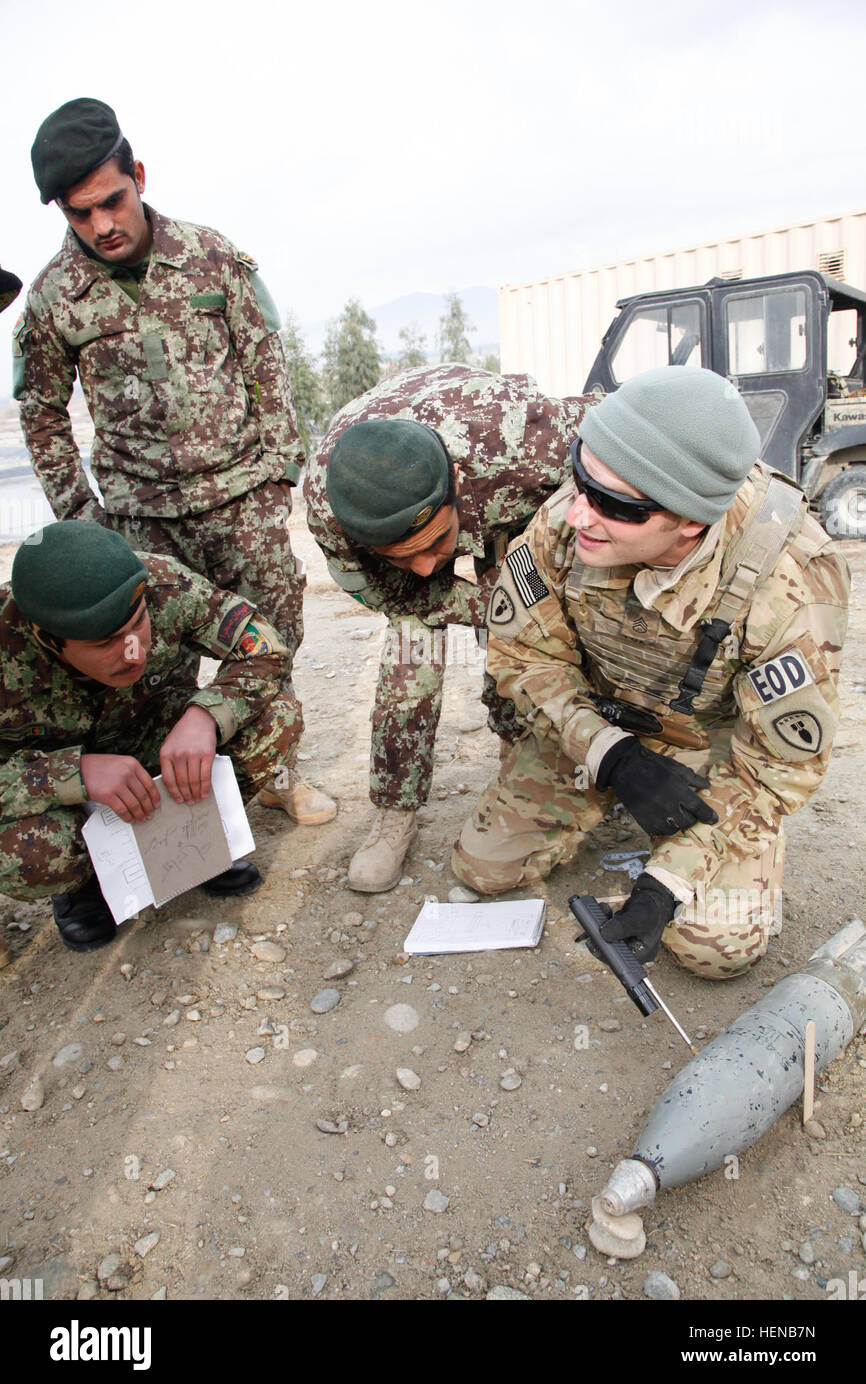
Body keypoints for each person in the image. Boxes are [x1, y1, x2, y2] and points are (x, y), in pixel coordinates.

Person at [452, 366, 850, 979]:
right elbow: (525, 657)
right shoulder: (569, 519)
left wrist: (668, 880)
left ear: (690, 521)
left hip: (714, 753)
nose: (579, 514)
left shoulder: (791, 577)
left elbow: (776, 766)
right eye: (581, 477)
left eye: (614, 504)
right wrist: (610, 754)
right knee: (482, 867)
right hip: (598, 725)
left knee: (714, 948)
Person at [14, 97, 334, 827]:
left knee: (268, 642)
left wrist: (280, 473)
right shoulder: (54, 298)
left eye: (112, 201)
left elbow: (265, 363)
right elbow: (40, 411)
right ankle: (178, 815)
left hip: (241, 499)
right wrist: (85, 520)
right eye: (79, 213)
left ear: (140, 176)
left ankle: (275, 773)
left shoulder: (213, 255)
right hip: (139, 518)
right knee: (151, 672)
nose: (102, 225)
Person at [305, 362, 597, 891]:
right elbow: (389, 592)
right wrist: (480, 602)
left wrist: (520, 599)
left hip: (498, 485)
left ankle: (525, 751)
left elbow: (617, 423)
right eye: (400, 554)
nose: (424, 565)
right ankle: (396, 813)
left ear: (457, 484)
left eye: (435, 545)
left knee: (525, 616)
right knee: (411, 635)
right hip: (427, 464)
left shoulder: (529, 441)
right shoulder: (332, 506)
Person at [0, 521, 302, 952]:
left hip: (152, 740)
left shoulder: (159, 582)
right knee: (25, 853)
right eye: (106, 642)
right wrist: (71, 774)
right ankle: (83, 885)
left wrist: (206, 716)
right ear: (50, 641)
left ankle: (195, 846)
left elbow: (265, 646)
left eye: (138, 625)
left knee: (277, 717)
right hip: (54, 791)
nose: (133, 651)